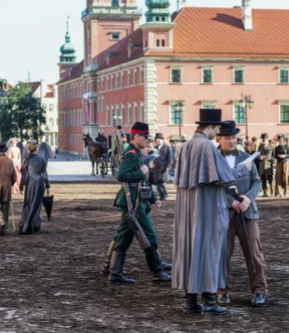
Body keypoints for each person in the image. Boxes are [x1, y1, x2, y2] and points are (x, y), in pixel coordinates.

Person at [173, 108, 254, 314]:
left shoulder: (185, 147)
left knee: (191, 251)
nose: (217, 133)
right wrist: (243, 168)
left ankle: (191, 301)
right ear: (209, 127)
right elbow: (225, 176)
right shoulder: (207, 147)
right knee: (210, 250)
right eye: (217, 129)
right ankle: (209, 301)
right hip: (207, 210)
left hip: (188, 212)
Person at [107, 122, 171, 285]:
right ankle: (156, 271)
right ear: (137, 136)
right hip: (132, 203)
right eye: (145, 137)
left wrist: (151, 197)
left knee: (123, 237)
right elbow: (121, 175)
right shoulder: (131, 154)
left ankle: (113, 272)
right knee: (148, 234)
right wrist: (140, 172)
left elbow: (140, 183)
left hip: (135, 200)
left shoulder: (135, 153)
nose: (147, 140)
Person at [215, 121, 267, 308]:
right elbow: (213, 187)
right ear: (219, 139)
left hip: (247, 213)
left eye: (233, 138)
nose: (231, 141)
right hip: (223, 215)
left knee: (254, 254)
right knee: (222, 254)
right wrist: (231, 202)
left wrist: (248, 199)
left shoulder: (246, 158)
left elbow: (256, 182)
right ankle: (221, 291)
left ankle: (259, 291)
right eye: (227, 138)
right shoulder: (213, 159)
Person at [19, 141, 49, 234]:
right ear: (36, 149)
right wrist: (47, 186)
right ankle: (35, 224)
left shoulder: (26, 159)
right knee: (38, 203)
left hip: (30, 183)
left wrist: (21, 187)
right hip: (39, 183)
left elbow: (23, 175)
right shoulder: (42, 159)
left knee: (28, 203)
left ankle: (26, 225)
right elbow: (45, 175)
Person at [150, 133, 172, 201]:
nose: (157, 140)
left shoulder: (167, 147)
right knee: (157, 181)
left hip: (163, 167)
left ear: (162, 139)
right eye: (156, 139)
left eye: (159, 139)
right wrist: (152, 163)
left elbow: (170, 158)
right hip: (156, 168)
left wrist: (168, 166)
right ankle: (161, 195)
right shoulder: (155, 148)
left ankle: (165, 194)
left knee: (162, 181)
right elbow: (153, 157)